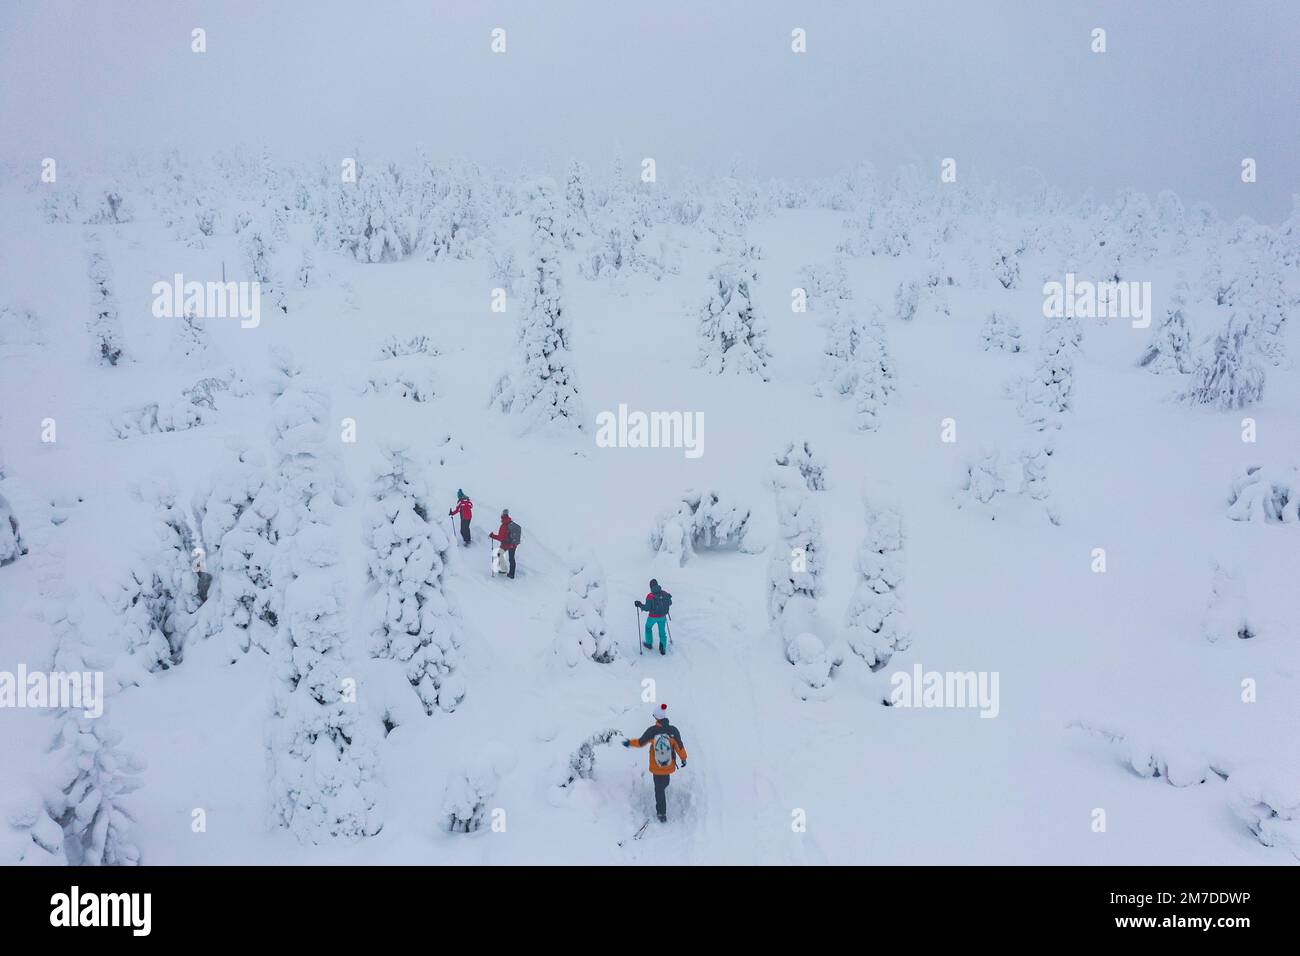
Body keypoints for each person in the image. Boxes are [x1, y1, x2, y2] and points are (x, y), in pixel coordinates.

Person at [623, 703, 687, 822]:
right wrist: (684, 759)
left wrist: (629, 743)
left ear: (656, 718)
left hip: (656, 766)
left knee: (658, 790)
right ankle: (663, 790)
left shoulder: (652, 731)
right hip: (668, 766)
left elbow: (641, 742)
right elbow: (679, 747)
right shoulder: (673, 730)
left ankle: (661, 813)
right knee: (664, 783)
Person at [634, 579, 672, 655]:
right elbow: (670, 603)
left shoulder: (650, 596)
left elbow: (647, 608)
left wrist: (639, 604)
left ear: (651, 586)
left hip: (653, 617)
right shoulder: (664, 593)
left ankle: (649, 643)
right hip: (663, 616)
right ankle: (663, 648)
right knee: (662, 632)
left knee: (648, 627)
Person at [488, 509, 520, 579]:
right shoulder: (510, 522)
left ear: (502, 516)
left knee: (500, 554)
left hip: (506, 543)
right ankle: (511, 574)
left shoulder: (504, 525)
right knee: (511, 558)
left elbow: (501, 538)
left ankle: (503, 570)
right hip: (513, 544)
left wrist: (492, 536)